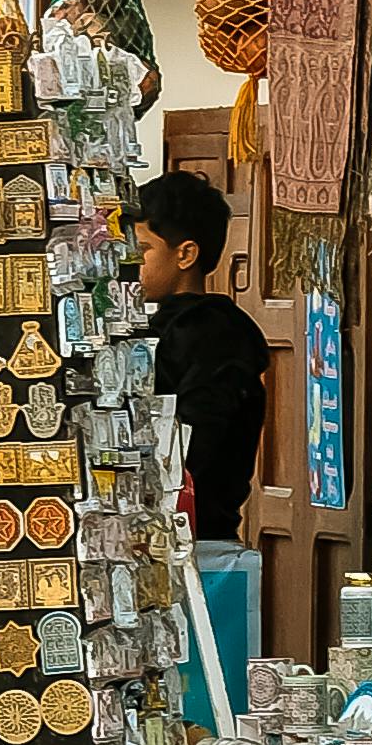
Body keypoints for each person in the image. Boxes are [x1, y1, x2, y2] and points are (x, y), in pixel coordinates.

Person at [132, 173, 273, 539]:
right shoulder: (164, 328)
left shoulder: (213, 335)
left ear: (185, 254)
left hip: (195, 536)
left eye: (142, 250)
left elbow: (195, 450)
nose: (129, 264)